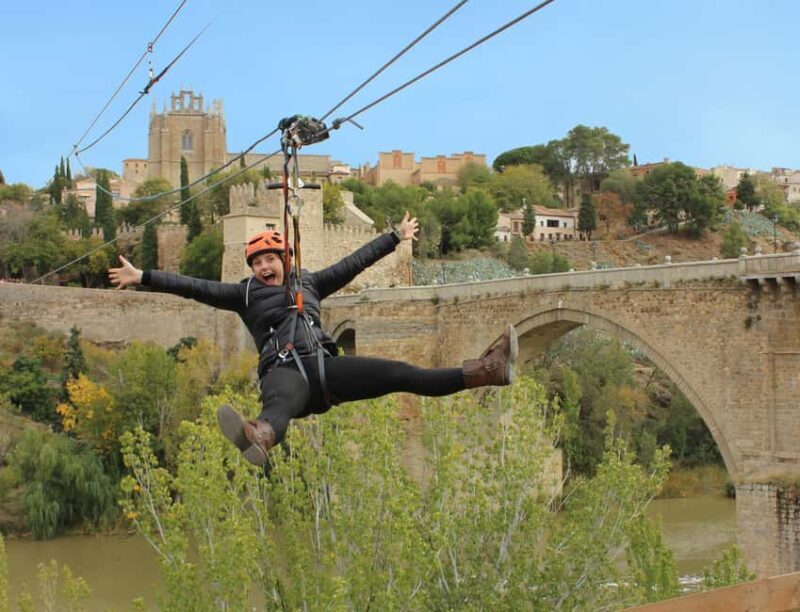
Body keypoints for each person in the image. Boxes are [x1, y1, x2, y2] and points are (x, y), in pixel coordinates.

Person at [109, 212, 517, 466]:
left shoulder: (311, 284)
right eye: (257, 262)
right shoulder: (244, 294)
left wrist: (395, 238)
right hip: (285, 372)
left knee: (401, 373)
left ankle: (486, 371)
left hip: (325, 368)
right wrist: (143, 276)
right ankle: (261, 436)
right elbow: (193, 286)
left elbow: (353, 264)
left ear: (285, 261)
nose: (264, 266)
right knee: (279, 404)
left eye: (271, 259)